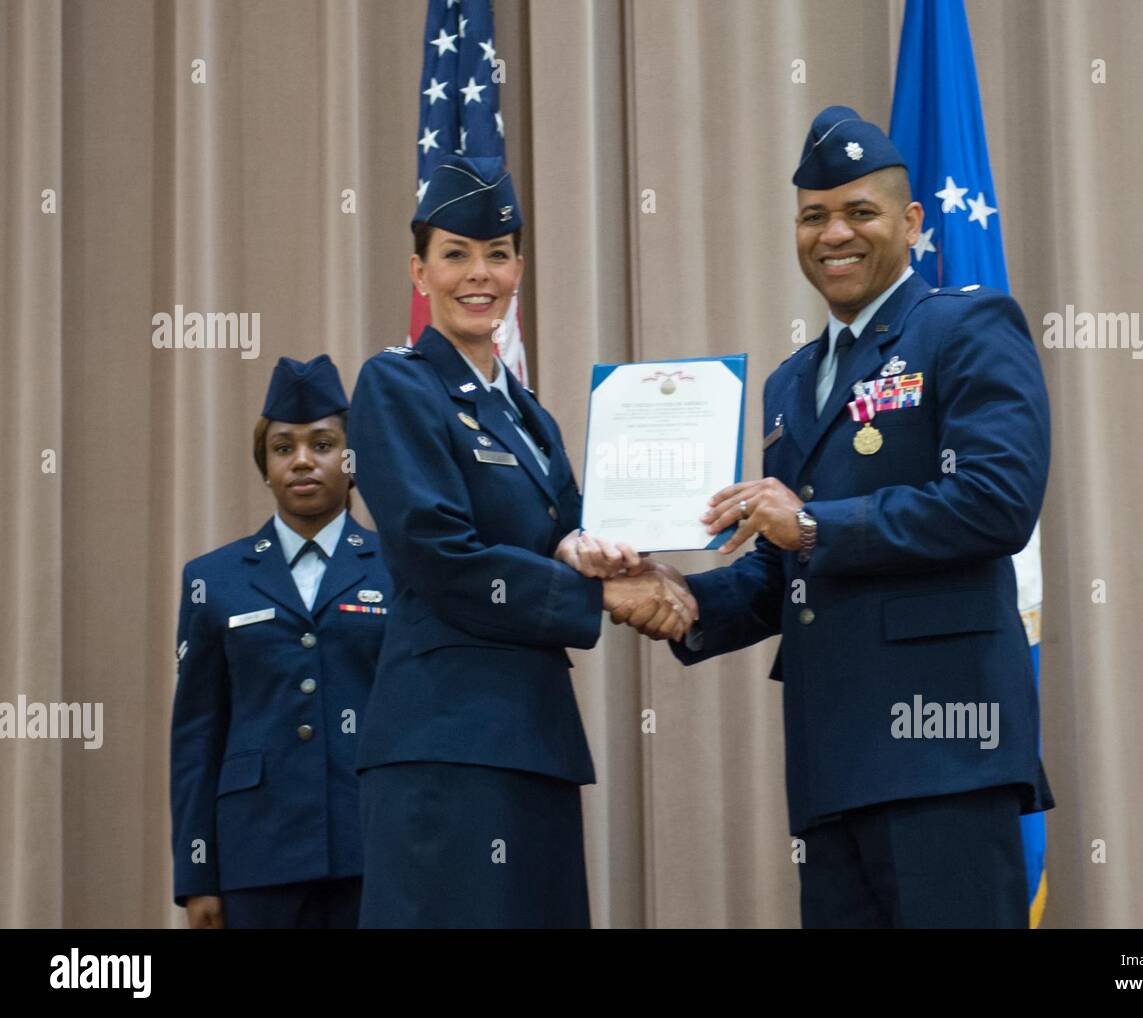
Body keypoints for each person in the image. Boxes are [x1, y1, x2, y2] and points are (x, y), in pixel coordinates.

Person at [630, 106, 1054, 928]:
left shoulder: (964, 326)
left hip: (944, 752)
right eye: (814, 216)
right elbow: (784, 561)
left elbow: (996, 503)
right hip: (833, 766)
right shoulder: (790, 382)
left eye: (860, 212)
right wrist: (677, 598)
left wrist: (817, 527)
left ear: (912, 221)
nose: (834, 234)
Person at [347, 154, 692, 928]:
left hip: (535, 738)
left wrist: (604, 553)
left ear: (519, 269)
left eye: (497, 254)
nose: (480, 275)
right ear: (419, 271)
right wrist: (598, 592)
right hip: (446, 740)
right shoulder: (396, 385)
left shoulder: (532, 418)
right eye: (456, 254)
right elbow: (439, 555)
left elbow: (573, 530)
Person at [170, 354, 393, 929]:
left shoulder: (400, 569)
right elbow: (197, 735)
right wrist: (197, 876)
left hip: (375, 847)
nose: (302, 460)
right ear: (265, 468)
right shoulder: (213, 579)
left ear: (352, 461)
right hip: (256, 855)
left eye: (322, 444)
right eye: (282, 447)